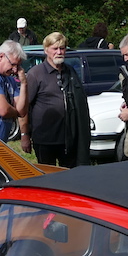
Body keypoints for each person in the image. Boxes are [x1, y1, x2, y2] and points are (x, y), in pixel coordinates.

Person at [22, 32, 89, 166]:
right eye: (55, 48)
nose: (59, 52)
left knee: (69, 177)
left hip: (69, 138)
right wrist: (25, 135)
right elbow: (24, 107)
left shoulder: (70, 72)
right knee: (48, 178)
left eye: (62, 48)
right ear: (46, 50)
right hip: (45, 140)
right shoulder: (36, 74)